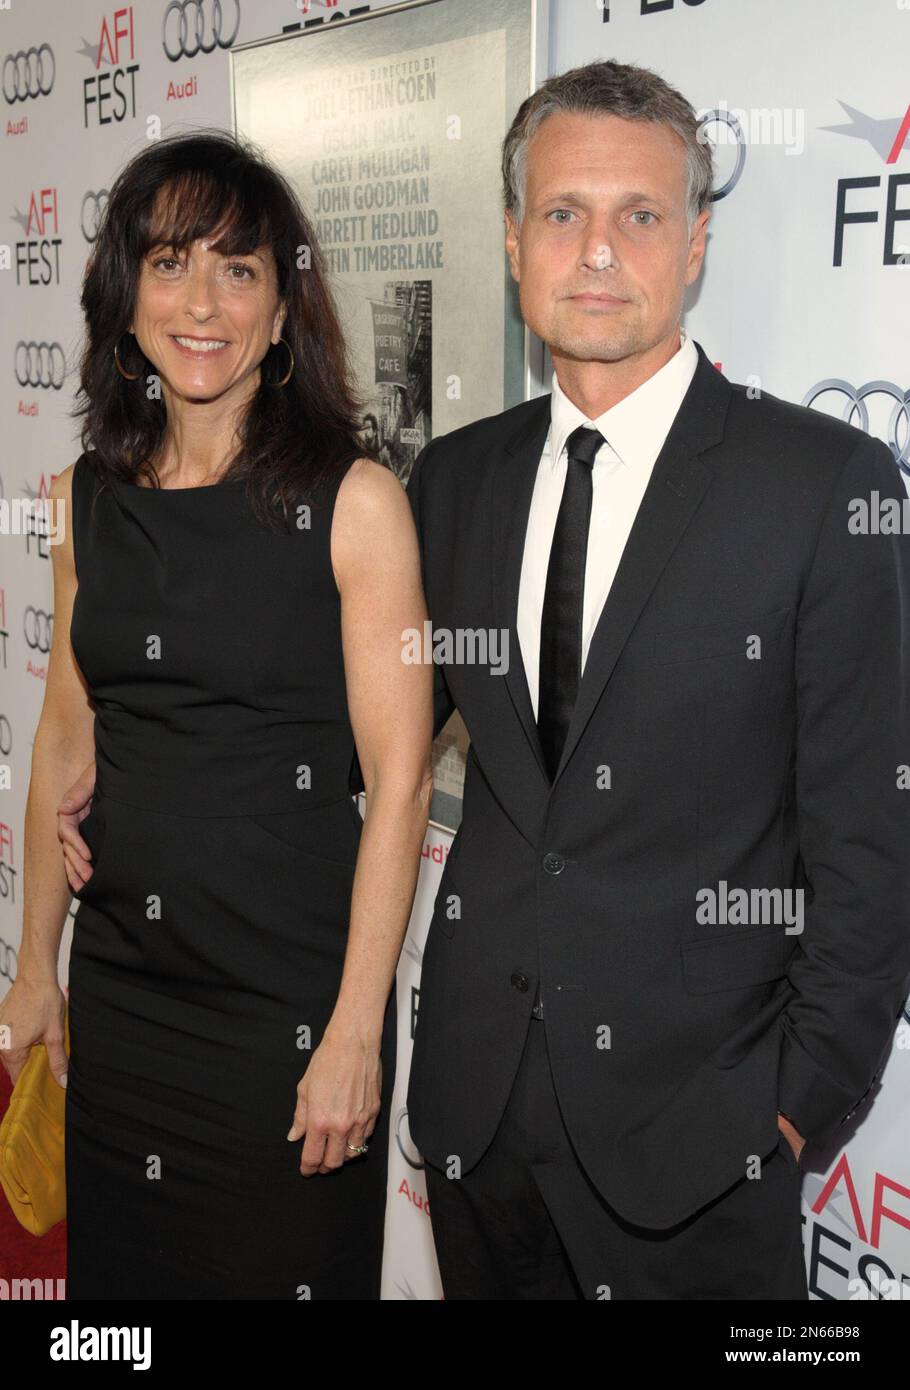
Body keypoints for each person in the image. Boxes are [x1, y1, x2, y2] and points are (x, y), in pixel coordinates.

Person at [400, 60, 910, 1298]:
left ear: (694, 244)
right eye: (563, 214)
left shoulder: (823, 488)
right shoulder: (451, 483)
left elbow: (870, 835)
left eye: (639, 216)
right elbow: (374, 739)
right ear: (515, 240)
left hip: (704, 1138)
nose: (597, 252)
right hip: (477, 1119)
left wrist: (790, 1113)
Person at [0, 129, 432, 1300]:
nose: (204, 301)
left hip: (286, 1010)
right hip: (129, 996)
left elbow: (398, 782)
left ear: (284, 310)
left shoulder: (353, 502)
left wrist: (353, 1033)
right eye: (171, 262)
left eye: (240, 269)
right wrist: (37, 961)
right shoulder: (82, 500)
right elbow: (62, 738)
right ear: (123, 295)